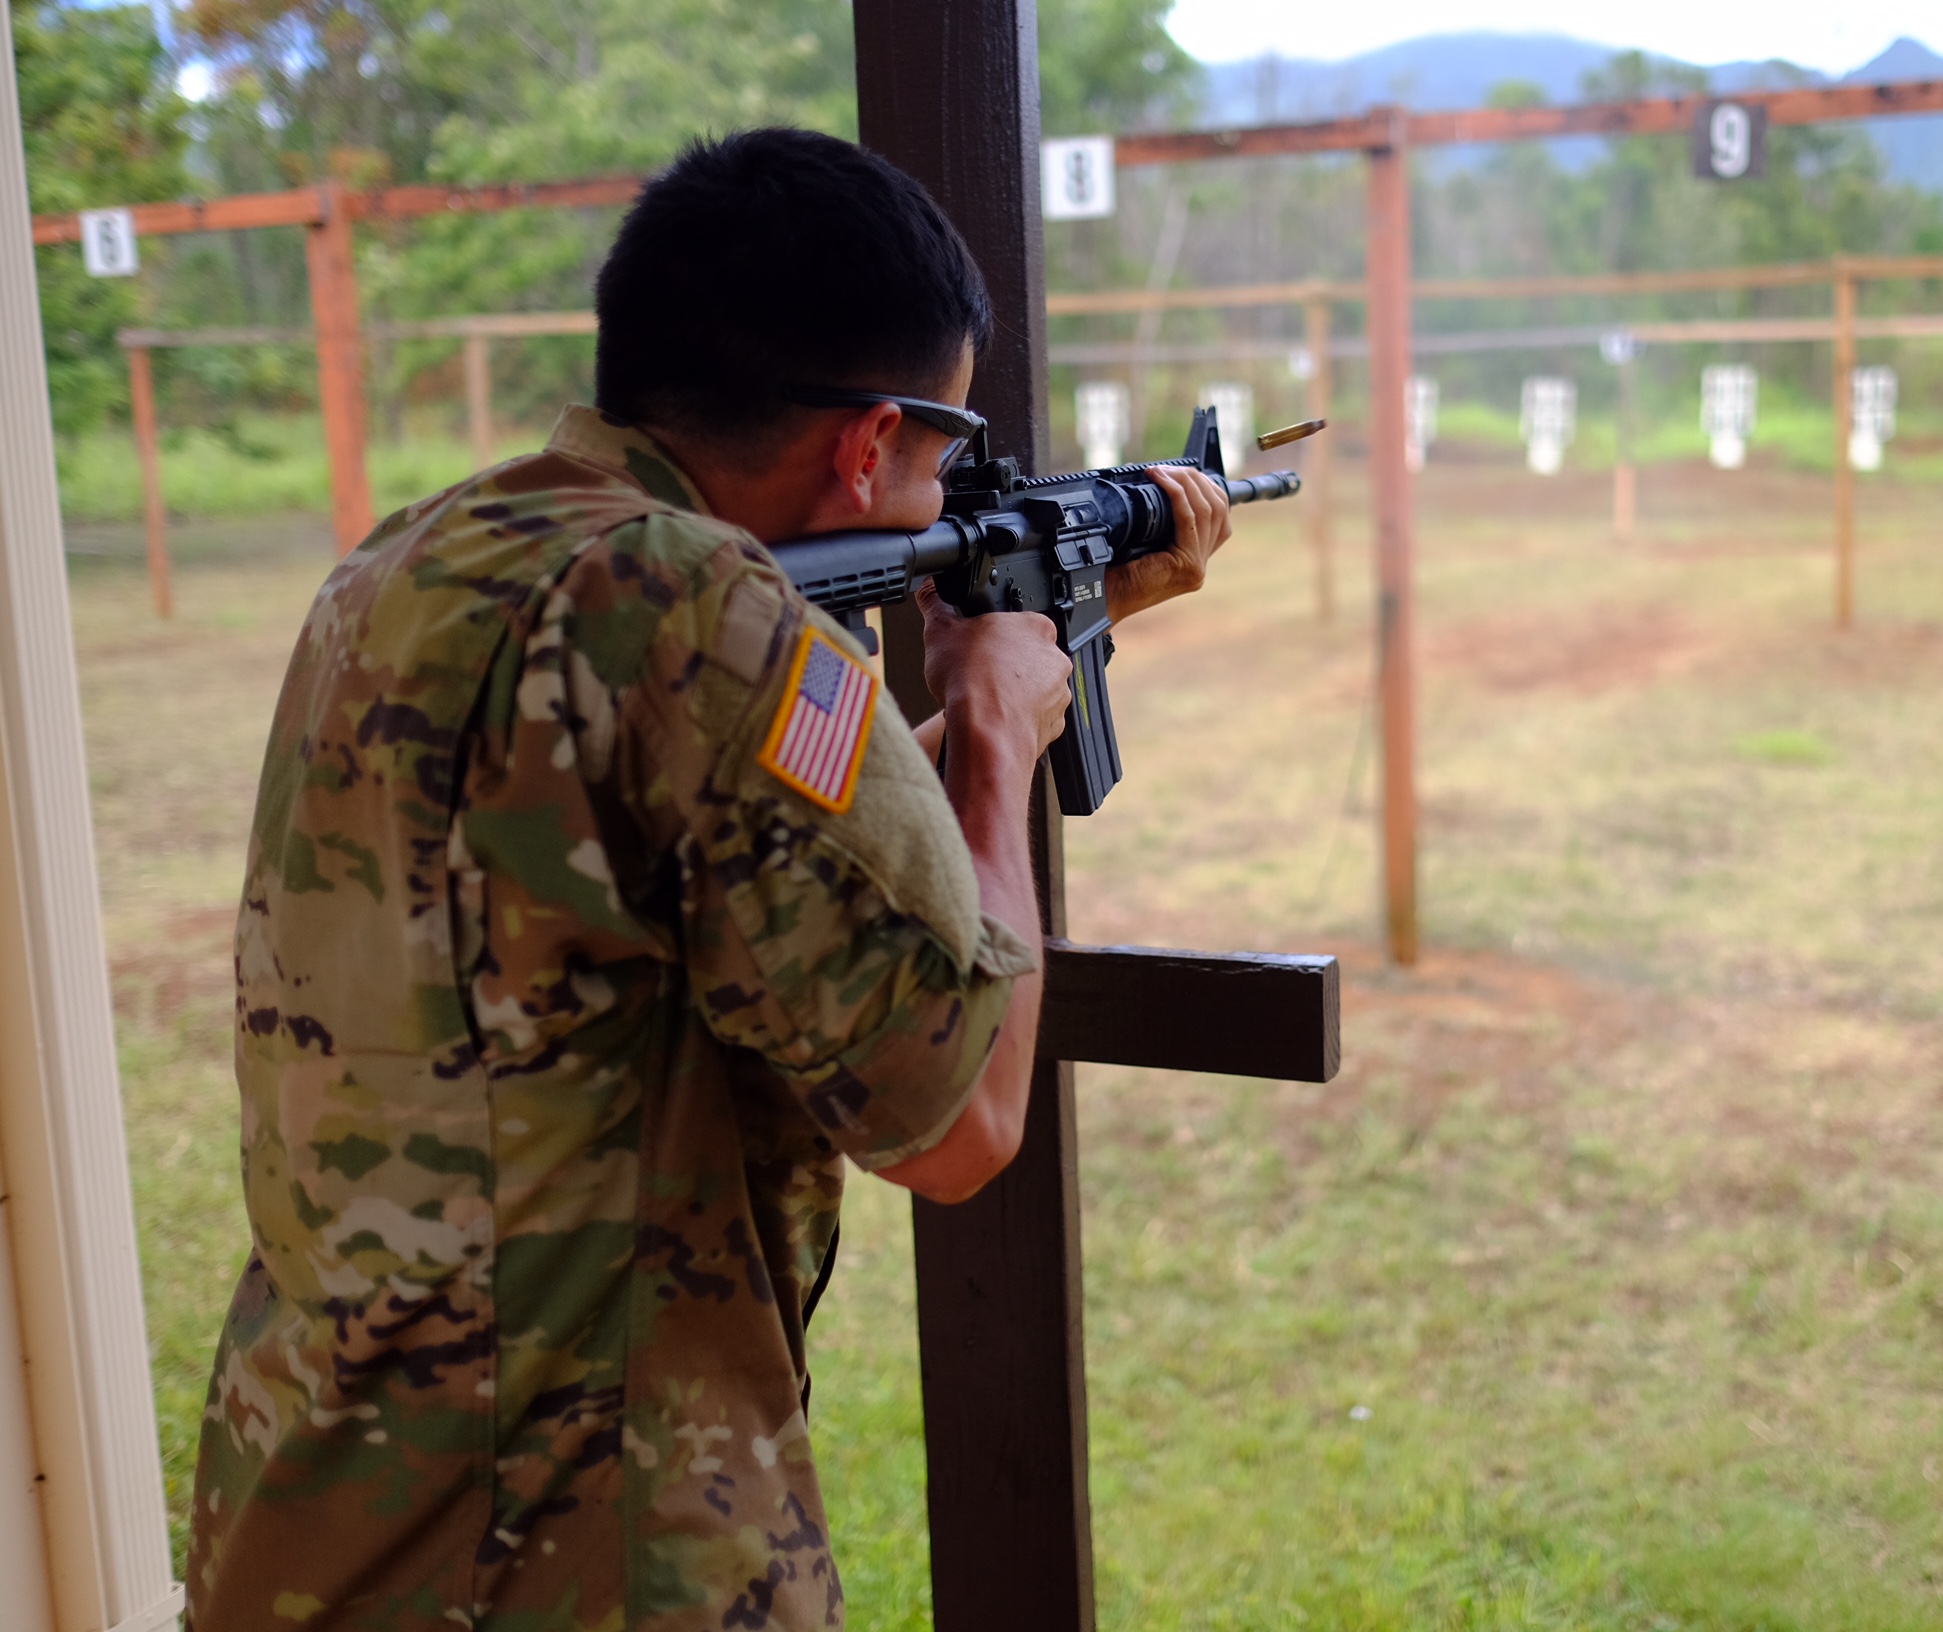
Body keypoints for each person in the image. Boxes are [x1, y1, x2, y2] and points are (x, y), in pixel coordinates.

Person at [185, 127, 1230, 1632]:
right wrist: (998, 730)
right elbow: (959, 1118)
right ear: (870, 442)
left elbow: (757, 863)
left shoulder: (414, 558)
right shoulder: (705, 613)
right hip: (576, 1555)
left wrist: (1051, 642)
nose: (938, 495)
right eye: (943, 450)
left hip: (316, 1510)